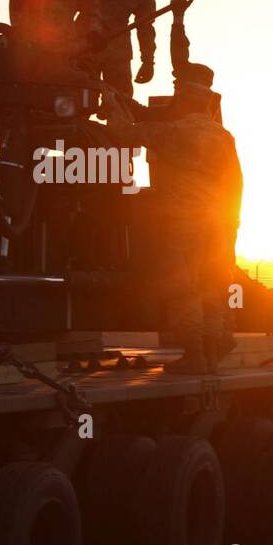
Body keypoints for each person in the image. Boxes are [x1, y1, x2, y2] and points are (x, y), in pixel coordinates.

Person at [101, 60, 242, 374]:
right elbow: (238, 184)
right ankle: (212, 350)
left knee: (184, 288)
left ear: (182, 98)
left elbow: (124, 135)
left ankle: (194, 353)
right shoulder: (224, 137)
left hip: (186, 223)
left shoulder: (175, 132)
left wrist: (110, 102)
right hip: (220, 224)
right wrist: (231, 227)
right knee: (212, 286)